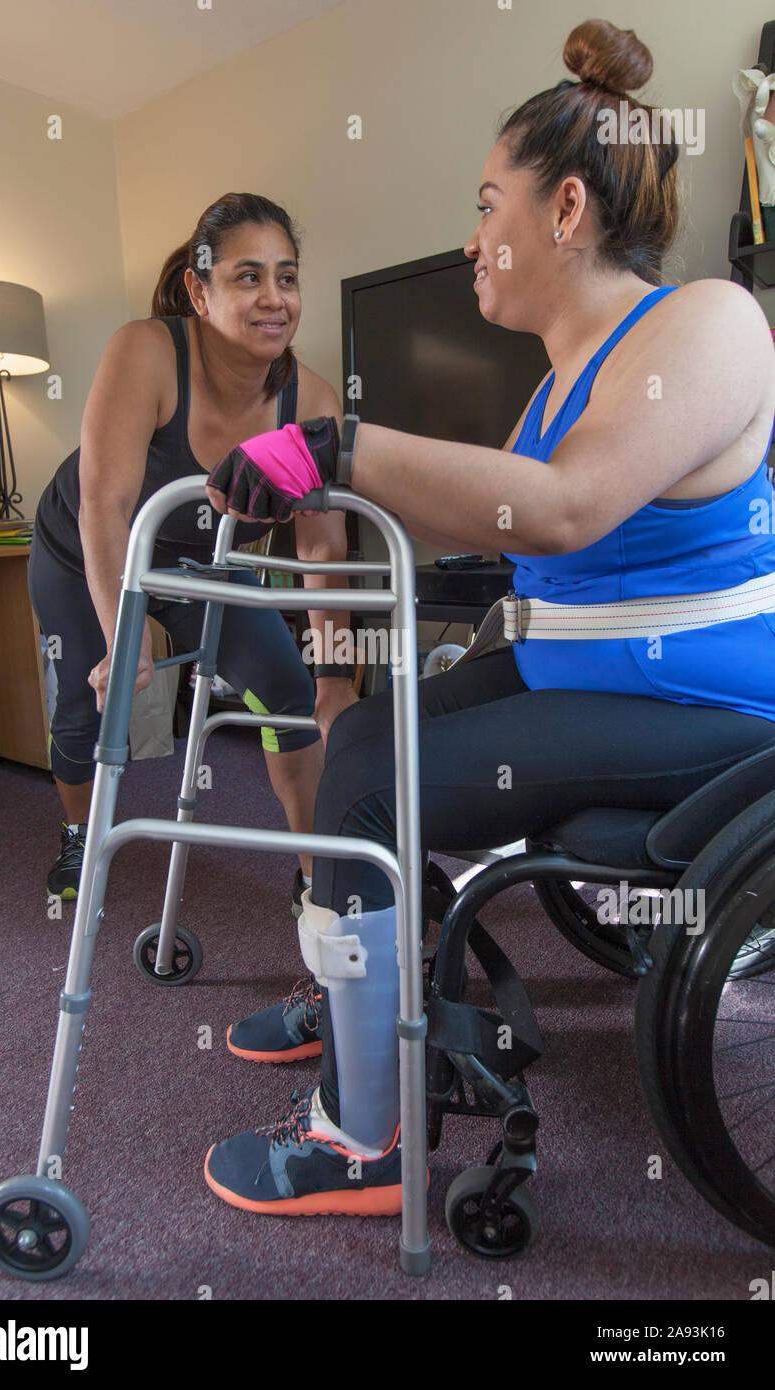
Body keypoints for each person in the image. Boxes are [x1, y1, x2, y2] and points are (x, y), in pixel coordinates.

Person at [202, 18, 775, 1216]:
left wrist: (342, 443)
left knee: (368, 788)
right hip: (588, 675)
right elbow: (493, 520)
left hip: (709, 699)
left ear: (563, 212)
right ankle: (362, 997)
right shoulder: (559, 383)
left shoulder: (711, 323)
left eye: (485, 206)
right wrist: (326, 493)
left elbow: (560, 513)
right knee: (357, 733)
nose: (471, 240)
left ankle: (365, 1143)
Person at [30, 193, 357, 912]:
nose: (275, 299)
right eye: (248, 278)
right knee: (89, 711)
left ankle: (314, 878)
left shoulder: (311, 400)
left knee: (292, 696)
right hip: (79, 543)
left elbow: (322, 549)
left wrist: (335, 673)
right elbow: (106, 506)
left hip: (197, 563)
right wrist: (125, 635)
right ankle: (81, 833)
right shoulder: (146, 350)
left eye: (288, 277)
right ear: (199, 291)